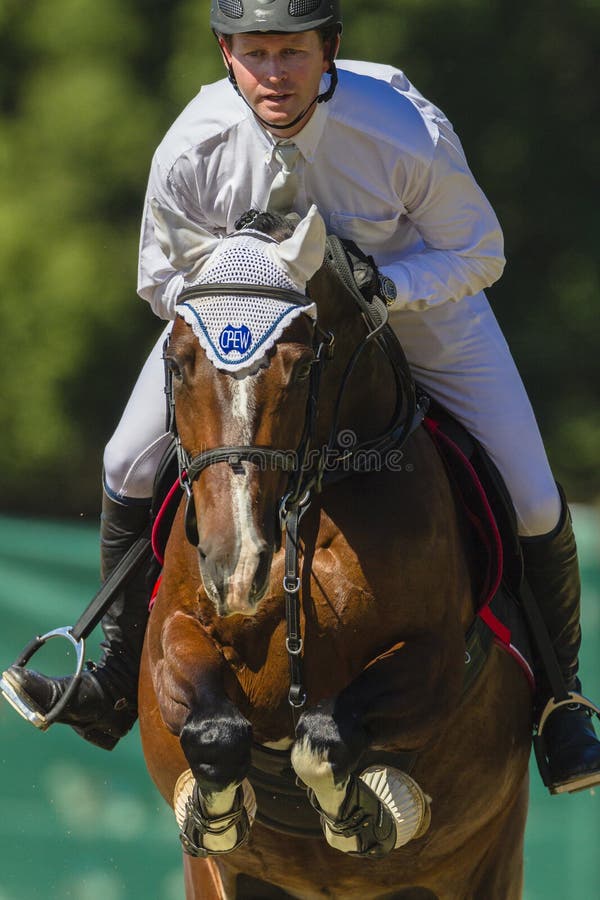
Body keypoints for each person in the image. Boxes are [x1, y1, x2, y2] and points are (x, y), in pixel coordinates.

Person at [4, 0, 599, 793]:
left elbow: (478, 252)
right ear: (225, 54)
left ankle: (561, 705)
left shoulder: (400, 133)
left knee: (532, 496)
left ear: (331, 51)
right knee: (125, 458)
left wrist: (379, 287)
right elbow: (159, 279)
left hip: (412, 304)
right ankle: (114, 676)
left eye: (293, 52)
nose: (275, 73)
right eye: (256, 53)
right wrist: (236, 299)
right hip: (247, 323)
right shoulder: (193, 143)